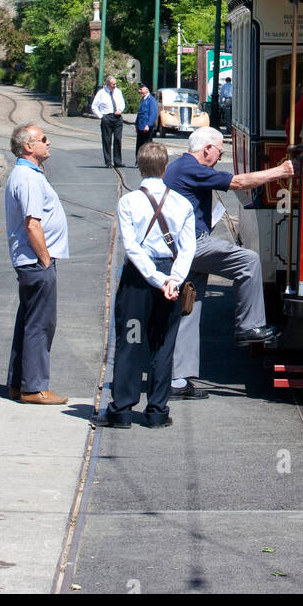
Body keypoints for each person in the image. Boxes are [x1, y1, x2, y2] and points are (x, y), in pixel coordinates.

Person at [167, 127, 294, 400]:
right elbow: (238, 182)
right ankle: (250, 326)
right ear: (206, 149)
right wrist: (280, 171)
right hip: (192, 246)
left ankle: (177, 381)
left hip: (183, 248)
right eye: (219, 152)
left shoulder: (180, 167)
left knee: (190, 308)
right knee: (248, 260)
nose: (218, 157)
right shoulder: (191, 167)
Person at [93, 142, 195, 430]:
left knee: (131, 340)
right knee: (163, 343)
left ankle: (122, 410)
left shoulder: (128, 202)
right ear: (165, 168)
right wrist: (173, 279)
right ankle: (157, 411)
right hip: (170, 278)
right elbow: (188, 249)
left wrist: (156, 278)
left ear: (139, 167)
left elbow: (133, 248)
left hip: (139, 280)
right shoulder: (182, 203)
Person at [5, 124, 70, 405]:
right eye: (43, 139)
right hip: (35, 261)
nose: (49, 142)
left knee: (28, 321)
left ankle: (19, 384)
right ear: (28, 147)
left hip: (31, 261)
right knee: (40, 325)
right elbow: (32, 224)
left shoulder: (28, 174)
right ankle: (34, 388)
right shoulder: (28, 178)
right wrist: (45, 259)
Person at [91, 75, 125, 168]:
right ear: (107, 84)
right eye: (113, 84)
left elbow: (122, 103)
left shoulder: (118, 91)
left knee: (118, 139)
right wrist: (101, 117)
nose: (115, 86)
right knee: (107, 140)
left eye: (115, 84)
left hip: (117, 117)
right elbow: (94, 106)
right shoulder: (101, 93)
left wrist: (120, 110)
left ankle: (118, 161)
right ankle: (108, 162)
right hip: (107, 117)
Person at [135, 83, 158, 154]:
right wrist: (136, 125)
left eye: (141, 89)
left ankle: (146, 162)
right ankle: (138, 161)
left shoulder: (151, 100)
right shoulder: (143, 100)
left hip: (146, 128)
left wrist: (148, 124)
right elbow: (139, 114)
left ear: (147, 89)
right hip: (140, 127)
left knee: (147, 146)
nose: (139, 91)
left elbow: (153, 114)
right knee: (139, 145)